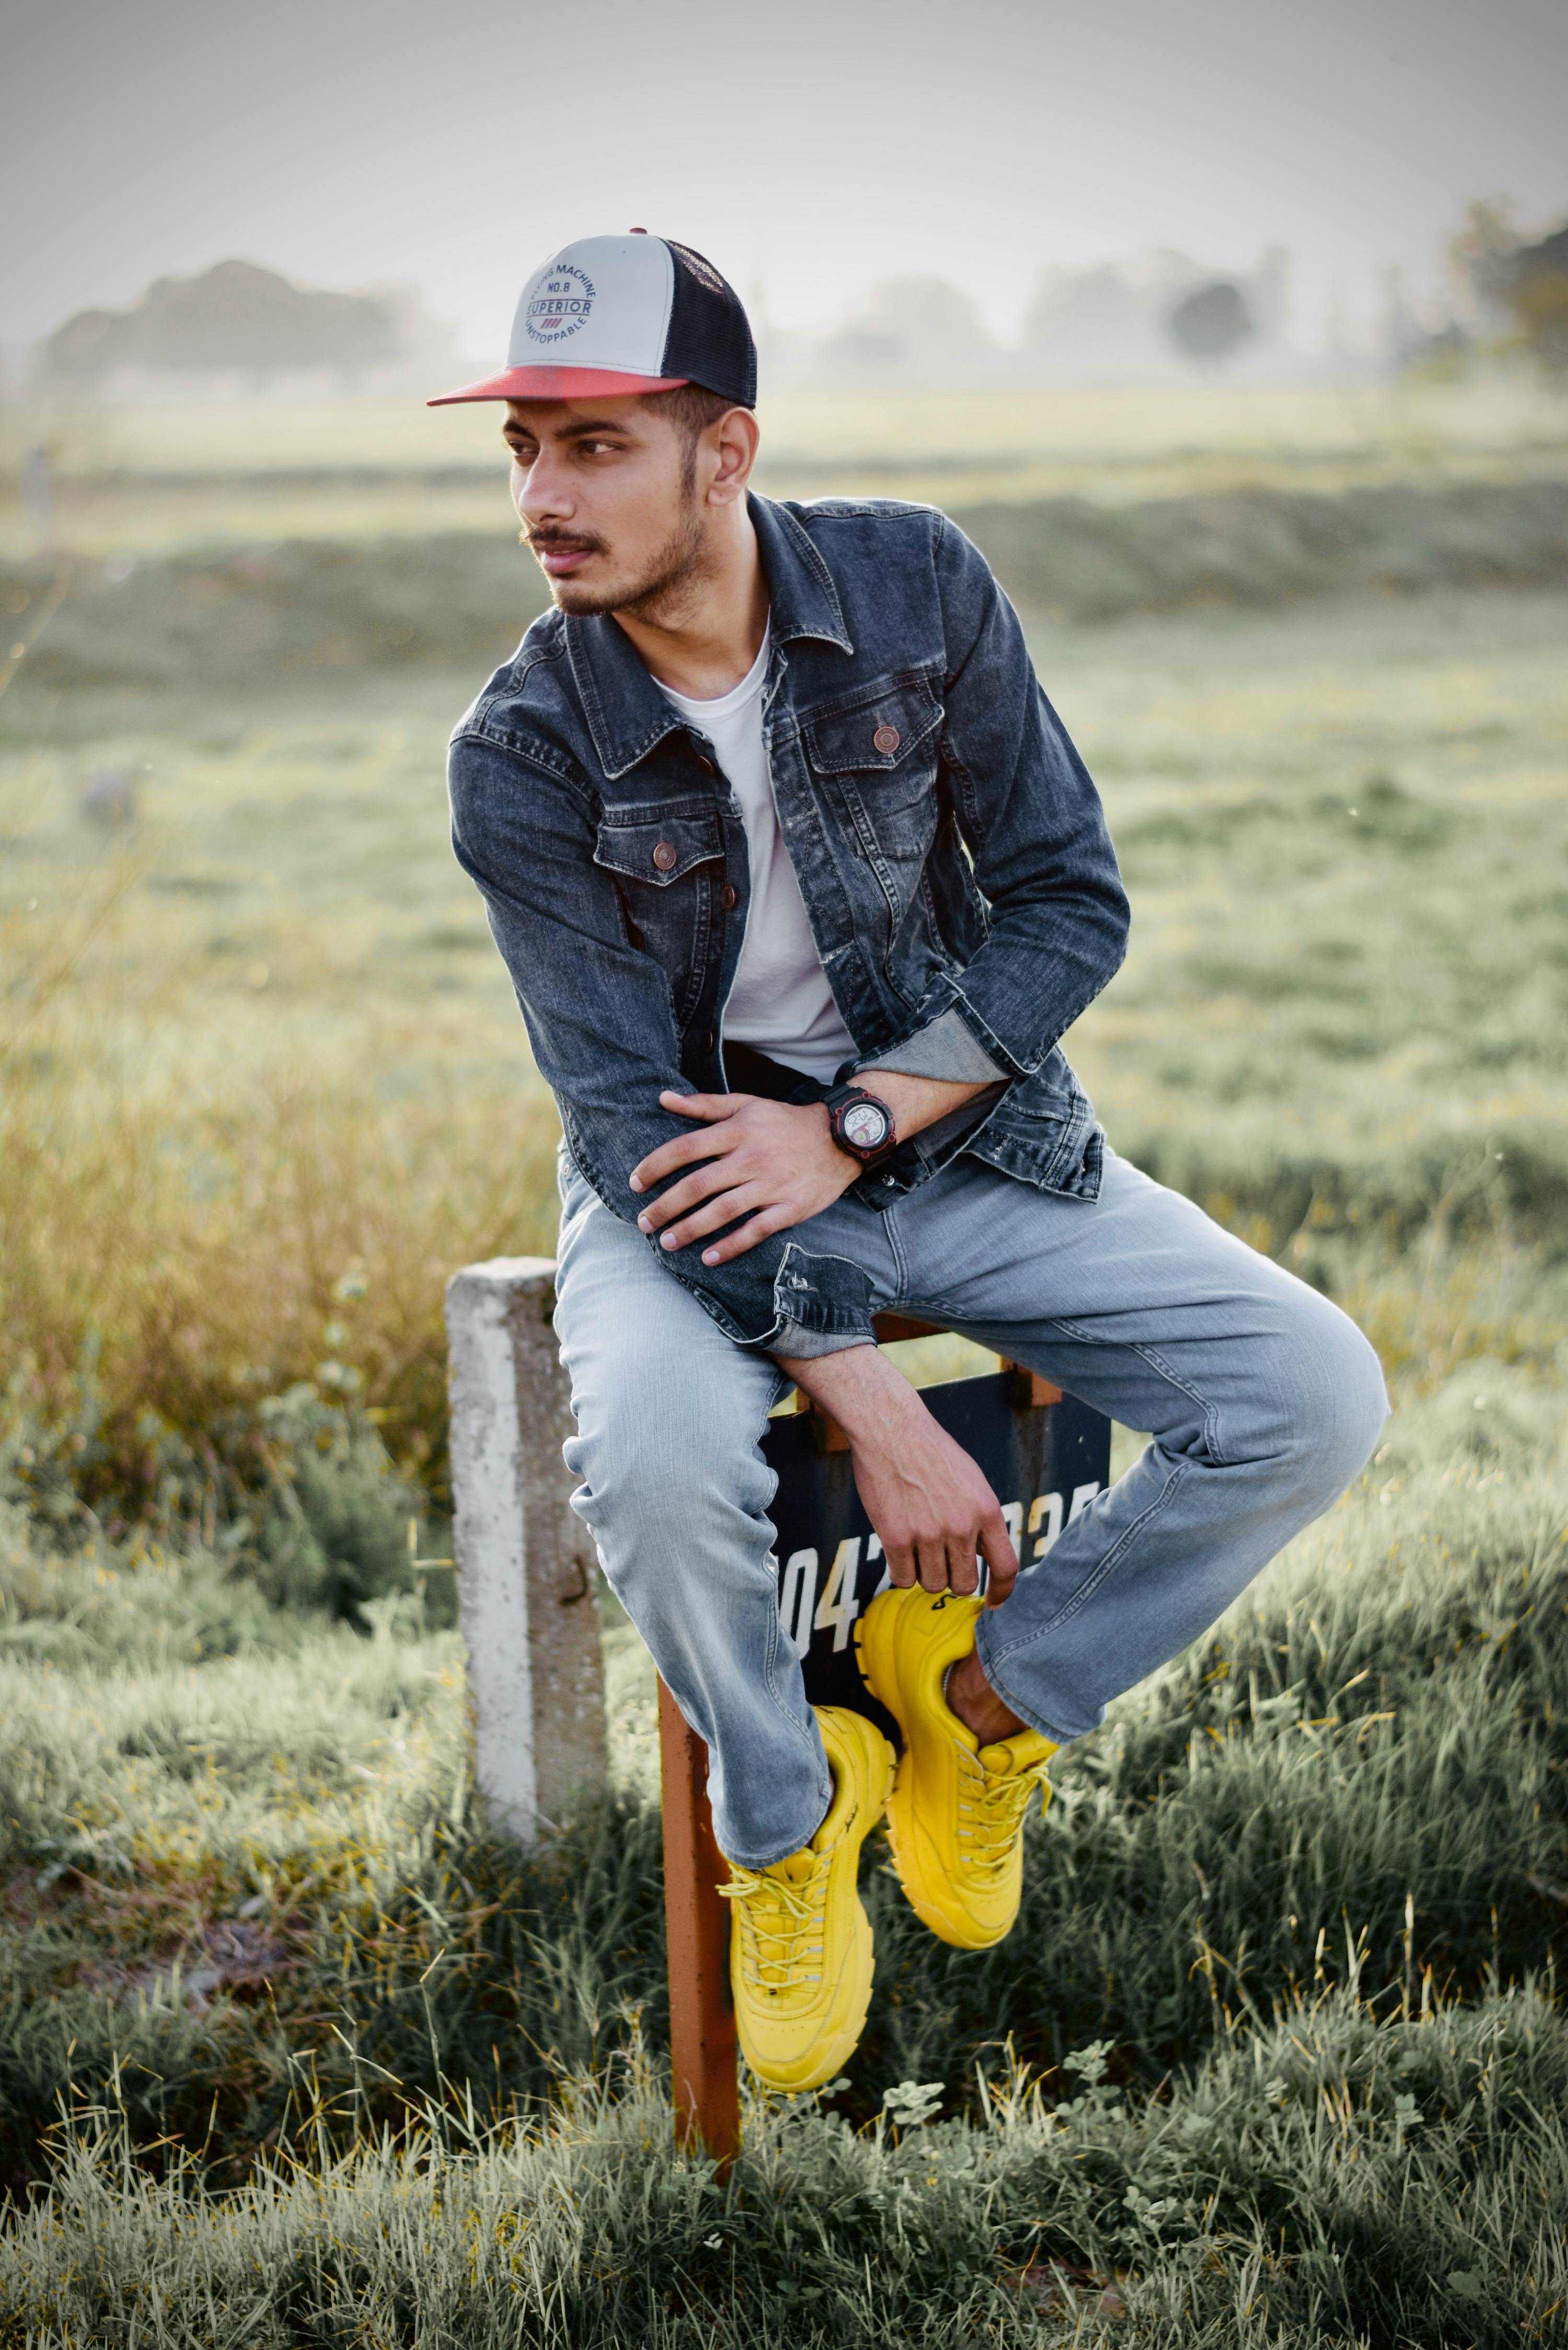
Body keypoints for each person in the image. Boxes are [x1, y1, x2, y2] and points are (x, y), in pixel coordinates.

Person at [432, 233, 1388, 2092]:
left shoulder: (917, 584)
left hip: (943, 1125)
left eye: (598, 443)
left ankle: (984, 1706)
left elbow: (1066, 903)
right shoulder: (523, 752)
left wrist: (859, 1121)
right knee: (653, 1454)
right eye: (524, 446)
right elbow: (634, 1129)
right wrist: (867, 1395)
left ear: (728, 450)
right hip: (689, 1179)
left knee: (1311, 1393)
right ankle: (793, 1822)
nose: (545, 496)